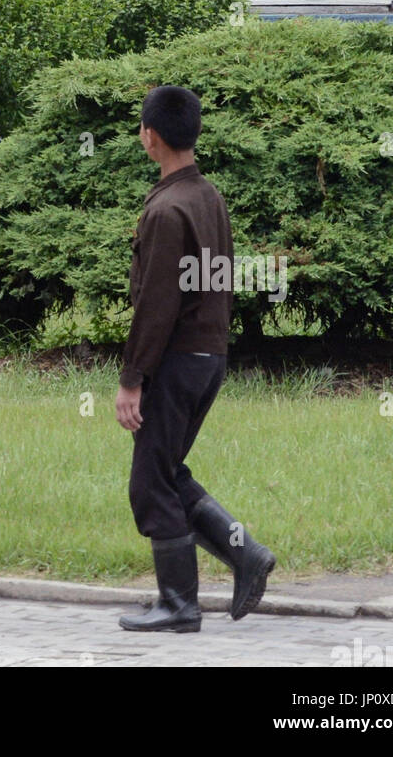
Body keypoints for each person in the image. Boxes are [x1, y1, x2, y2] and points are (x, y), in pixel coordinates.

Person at [115, 86, 275, 633]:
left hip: (178, 359)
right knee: (166, 470)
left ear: (150, 135)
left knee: (150, 483)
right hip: (209, 355)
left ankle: (180, 605)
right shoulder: (207, 196)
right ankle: (245, 554)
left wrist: (133, 378)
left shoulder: (167, 208)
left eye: (141, 126)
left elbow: (157, 306)